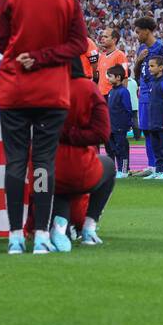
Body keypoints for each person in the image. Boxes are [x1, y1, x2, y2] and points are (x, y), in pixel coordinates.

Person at [0, 0, 88, 255]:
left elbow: (0, 40)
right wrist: (45, 56)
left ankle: (15, 235)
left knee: (15, 163)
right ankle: (43, 235)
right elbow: (78, 45)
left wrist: (25, 55)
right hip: (51, 92)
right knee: (44, 163)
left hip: (15, 88)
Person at [49, 57, 116, 249]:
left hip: (46, 166)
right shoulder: (89, 89)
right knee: (108, 166)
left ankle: (56, 227)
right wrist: (72, 135)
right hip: (80, 165)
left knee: (57, 185)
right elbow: (102, 133)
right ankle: (89, 227)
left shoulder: (47, 88)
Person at [132, 16, 163, 177]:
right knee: (147, 131)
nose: (136, 35)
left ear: (147, 31)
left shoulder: (162, 49)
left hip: (155, 96)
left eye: (138, 31)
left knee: (157, 132)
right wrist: (138, 61)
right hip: (144, 95)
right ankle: (152, 166)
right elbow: (136, 74)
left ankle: (162, 166)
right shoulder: (140, 49)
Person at [105, 64, 133, 177]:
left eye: (110, 76)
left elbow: (128, 109)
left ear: (118, 77)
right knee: (114, 149)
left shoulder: (123, 92)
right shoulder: (111, 92)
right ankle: (119, 169)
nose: (108, 78)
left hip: (120, 126)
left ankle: (124, 170)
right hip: (111, 126)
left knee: (122, 149)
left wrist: (128, 123)